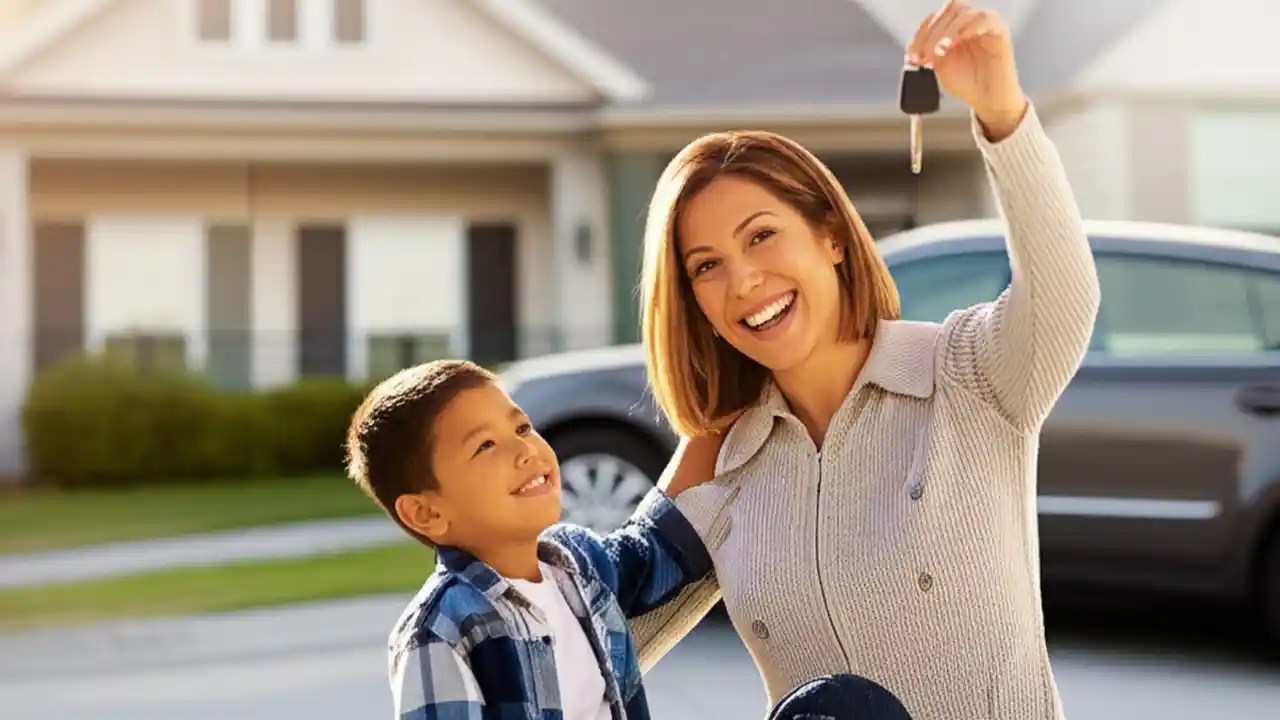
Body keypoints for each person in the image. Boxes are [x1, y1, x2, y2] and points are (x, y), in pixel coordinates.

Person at [629, 2, 1100, 719]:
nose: (743, 282)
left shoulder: (966, 375)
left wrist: (1002, 114)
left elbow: (1065, 294)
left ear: (832, 237)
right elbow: (604, 646)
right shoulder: (728, 467)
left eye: (761, 237)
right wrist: (697, 454)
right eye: (706, 267)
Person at [344, 359, 711, 720]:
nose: (525, 451)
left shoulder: (577, 563)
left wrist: (713, 419)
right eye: (485, 445)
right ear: (427, 514)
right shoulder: (439, 632)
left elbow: (661, 543)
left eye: (521, 428)